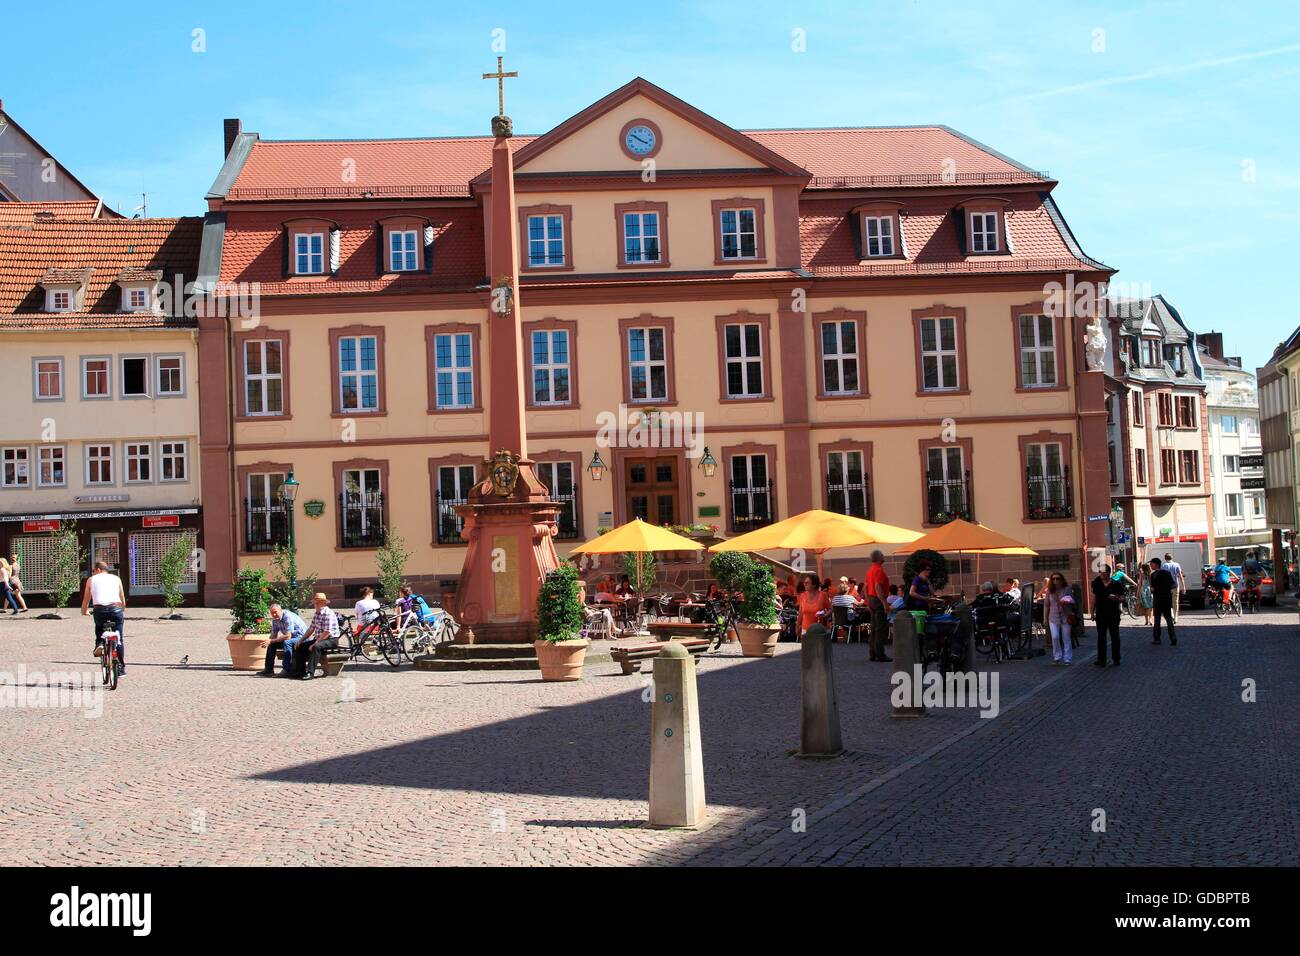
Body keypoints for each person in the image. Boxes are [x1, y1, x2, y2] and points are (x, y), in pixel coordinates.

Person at [80, 561, 127, 673]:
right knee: (119, 638)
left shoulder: (91, 580)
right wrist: (123, 609)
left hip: (100, 610)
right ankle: (121, 669)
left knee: (99, 628)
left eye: (93, 571)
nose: (92, 573)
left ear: (98, 570)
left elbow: (86, 599)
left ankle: (100, 644)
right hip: (116, 609)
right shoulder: (116, 579)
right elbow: (122, 598)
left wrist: (84, 611)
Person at [298, 592, 341, 680]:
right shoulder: (316, 613)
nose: (316, 604)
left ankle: (310, 673)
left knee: (316, 646)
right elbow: (311, 629)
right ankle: (300, 671)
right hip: (321, 639)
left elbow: (327, 632)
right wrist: (301, 640)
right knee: (301, 646)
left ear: (324, 603)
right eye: (315, 602)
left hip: (331, 639)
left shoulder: (328, 613)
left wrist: (315, 643)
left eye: (318, 602)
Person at [261, 602, 307, 676]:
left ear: (280, 610)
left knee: (287, 642)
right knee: (271, 644)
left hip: (302, 638)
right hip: (292, 638)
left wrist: (271, 640)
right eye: (272, 613)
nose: (273, 615)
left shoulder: (287, 616)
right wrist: (267, 641)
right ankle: (268, 670)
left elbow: (288, 636)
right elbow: (274, 634)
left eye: (275, 612)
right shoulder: (275, 619)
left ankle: (287, 670)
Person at [1091, 564, 1124, 667]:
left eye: (1103, 572)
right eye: (1099, 572)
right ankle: (1101, 659)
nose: (1100, 573)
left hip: (1113, 613)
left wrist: (1117, 598)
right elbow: (1094, 598)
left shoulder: (1116, 584)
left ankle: (1116, 658)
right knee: (1101, 637)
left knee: (1115, 636)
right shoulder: (1096, 583)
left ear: (1108, 573)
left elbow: (1123, 598)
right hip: (1101, 613)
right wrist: (1092, 612)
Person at [864, 549, 892, 663]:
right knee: (880, 628)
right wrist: (885, 603)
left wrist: (868, 601)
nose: (883, 555)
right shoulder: (879, 570)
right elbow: (877, 587)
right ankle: (880, 654)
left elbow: (865, 587)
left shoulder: (870, 570)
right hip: (878, 599)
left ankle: (872, 653)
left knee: (874, 628)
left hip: (871, 599)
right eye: (882, 554)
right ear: (878, 558)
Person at [1044, 573, 1076, 664]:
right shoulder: (1049, 591)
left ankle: (1067, 658)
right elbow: (1046, 605)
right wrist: (1045, 618)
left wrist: (1067, 601)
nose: (1055, 581)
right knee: (1055, 637)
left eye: (1057, 579)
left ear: (1061, 579)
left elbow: (1073, 601)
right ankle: (1057, 656)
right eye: (1053, 579)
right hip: (1053, 617)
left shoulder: (1067, 589)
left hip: (1065, 616)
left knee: (1066, 637)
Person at [1149, 557, 1177, 646]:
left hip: (1158, 599)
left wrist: (1155, 589)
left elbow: (1152, 589)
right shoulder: (1167, 573)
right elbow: (1173, 585)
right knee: (1168, 618)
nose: (1150, 565)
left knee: (1157, 619)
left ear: (1155, 564)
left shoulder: (1153, 575)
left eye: (1151, 564)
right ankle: (1173, 637)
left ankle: (1157, 638)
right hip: (1167, 598)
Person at [797, 573, 830, 637]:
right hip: (805, 629)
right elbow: (800, 613)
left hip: (820, 629)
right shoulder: (802, 595)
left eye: (807, 583)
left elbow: (830, 609)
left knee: (818, 647)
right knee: (806, 647)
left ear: (814, 585)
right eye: (804, 583)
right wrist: (797, 626)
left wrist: (825, 615)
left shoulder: (823, 595)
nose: (804, 584)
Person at [1162, 552, 1185, 620]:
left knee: (1167, 601)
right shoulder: (1177, 565)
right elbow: (1180, 576)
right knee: (1175, 601)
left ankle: (1171, 614)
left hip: (1167, 586)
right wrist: (1183, 586)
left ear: (1165, 558)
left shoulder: (1164, 566)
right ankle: (1176, 617)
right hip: (1175, 585)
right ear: (1172, 558)